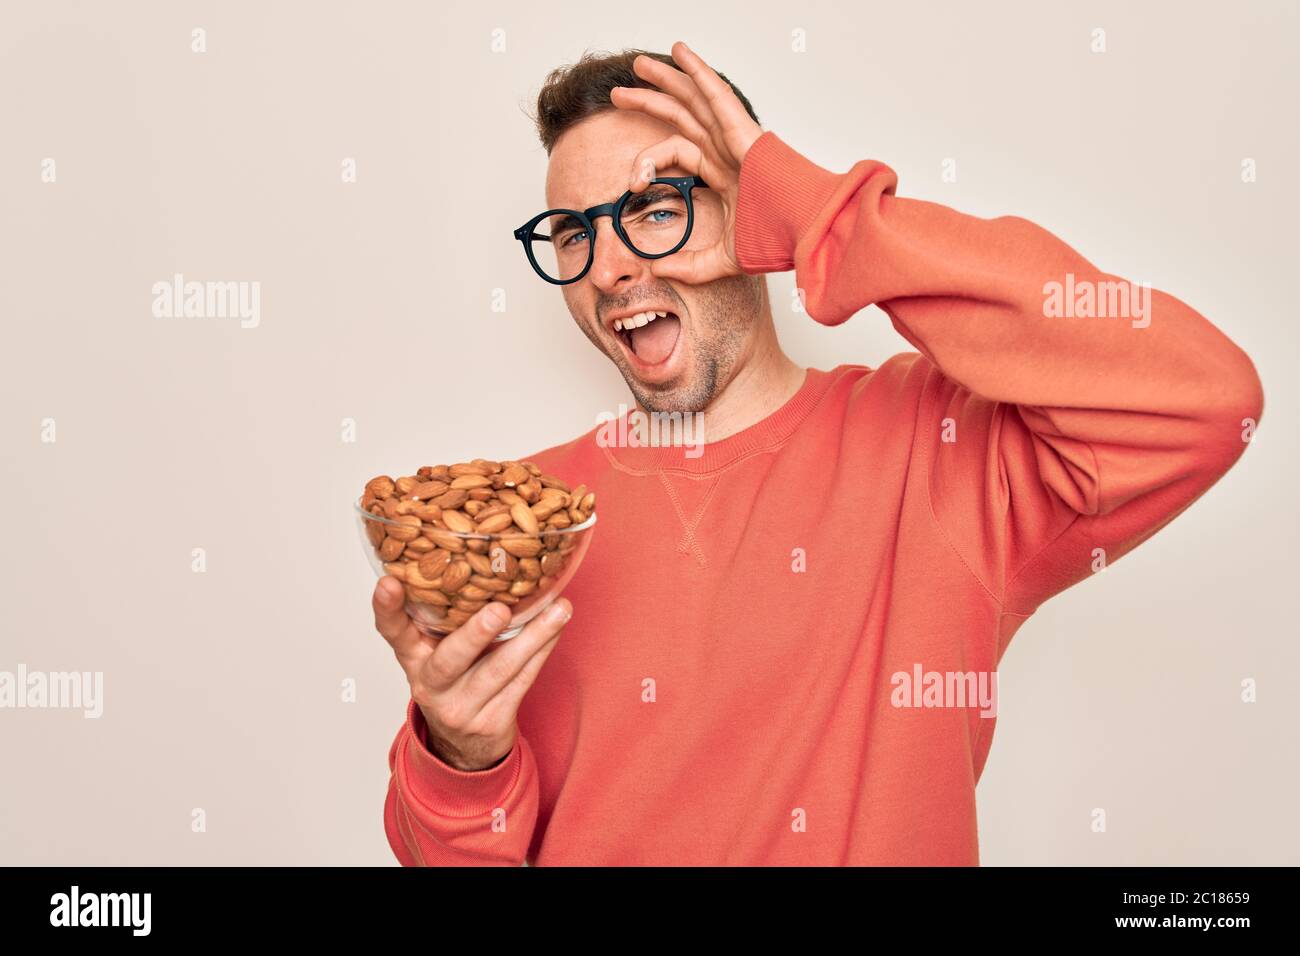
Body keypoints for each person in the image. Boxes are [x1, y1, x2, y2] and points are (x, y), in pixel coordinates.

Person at [374, 41, 1263, 865]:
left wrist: (813, 217)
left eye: (653, 208)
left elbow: (1206, 401)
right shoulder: (532, 522)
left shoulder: (940, 451)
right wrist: (462, 758)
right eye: (574, 233)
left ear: (745, 219)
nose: (606, 269)